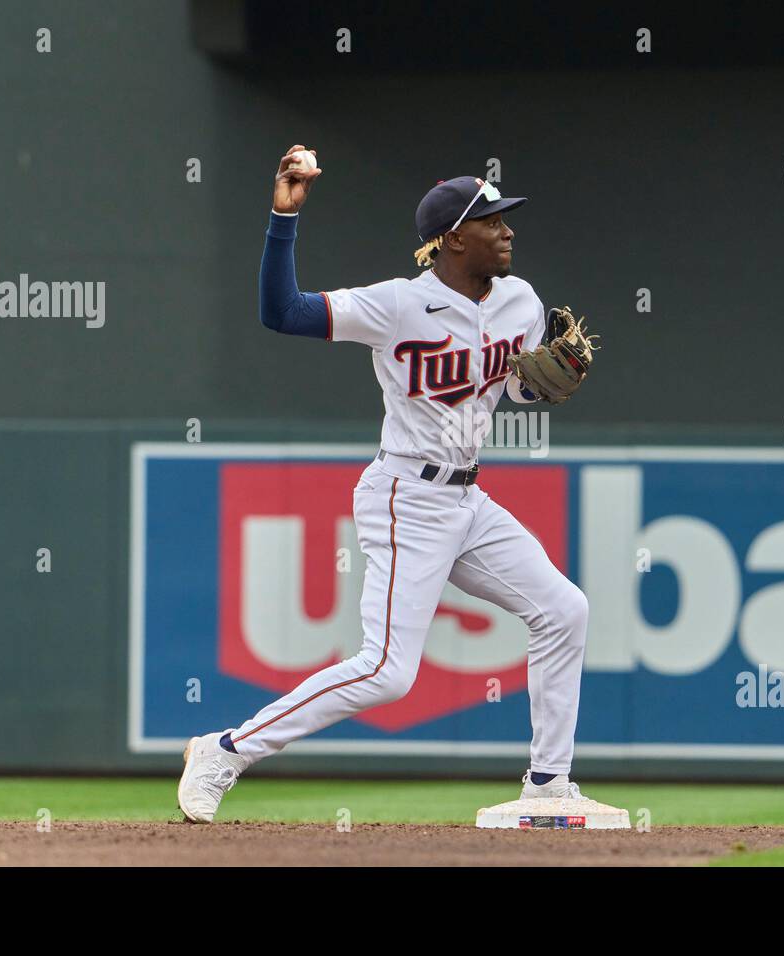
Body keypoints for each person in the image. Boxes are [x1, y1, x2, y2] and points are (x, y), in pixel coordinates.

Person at [177, 144, 591, 822]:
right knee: (388, 672)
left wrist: (540, 384)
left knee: (564, 610)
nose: (508, 231)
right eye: (492, 222)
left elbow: (515, 388)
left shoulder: (522, 301)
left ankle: (547, 786)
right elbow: (282, 311)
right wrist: (284, 217)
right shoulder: (397, 306)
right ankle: (224, 750)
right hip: (407, 497)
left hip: (469, 501)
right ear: (455, 238)